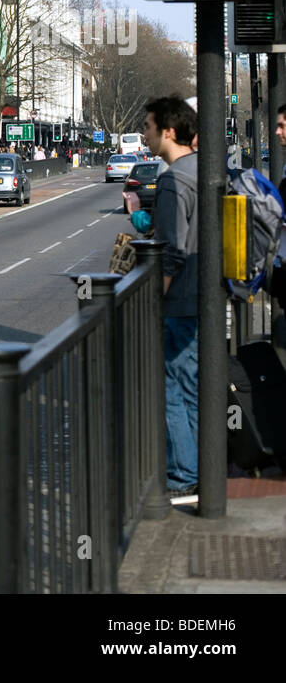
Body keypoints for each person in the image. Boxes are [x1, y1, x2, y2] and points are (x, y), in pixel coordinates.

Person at [143, 94, 200, 502]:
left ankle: (183, 475)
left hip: (180, 299)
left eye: (147, 127)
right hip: (206, 295)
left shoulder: (172, 180)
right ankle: (200, 468)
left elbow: (172, 250)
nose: (144, 135)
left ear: (168, 130)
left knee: (169, 385)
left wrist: (155, 300)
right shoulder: (203, 169)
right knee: (192, 386)